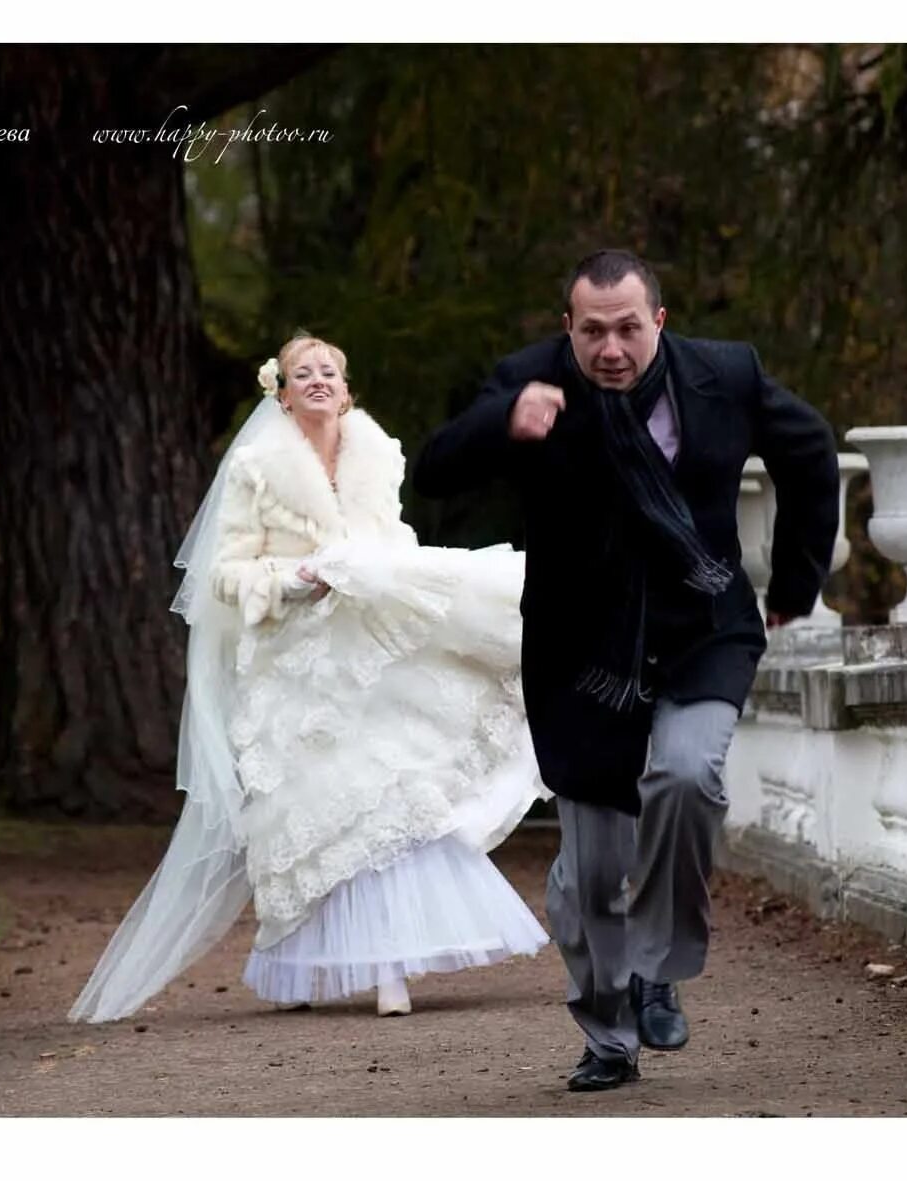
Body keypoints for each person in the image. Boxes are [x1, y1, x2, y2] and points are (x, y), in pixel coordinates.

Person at [412, 250, 841, 1091]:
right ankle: (609, 1037)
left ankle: (659, 966)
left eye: (629, 328)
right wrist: (504, 419)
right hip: (583, 651)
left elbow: (811, 451)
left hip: (702, 625)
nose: (612, 348)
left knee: (686, 775)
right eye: (593, 331)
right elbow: (433, 470)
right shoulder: (528, 381)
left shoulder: (725, 373)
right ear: (566, 327)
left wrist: (795, 581)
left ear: (661, 322)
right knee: (590, 873)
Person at [69, 333, 548, 1024]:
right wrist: (289, 584)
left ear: (346, 389)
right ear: (283, 392)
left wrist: (393, 580)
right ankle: (301, 960)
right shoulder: (257, 467)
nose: (318, 380)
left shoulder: (376, 453)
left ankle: (390, 966)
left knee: (387, 790)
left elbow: (393, 538)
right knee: (307, 807)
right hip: (293, 657)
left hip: (370, 647)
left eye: (329, 371)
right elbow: (226, 571)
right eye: (303, 373)